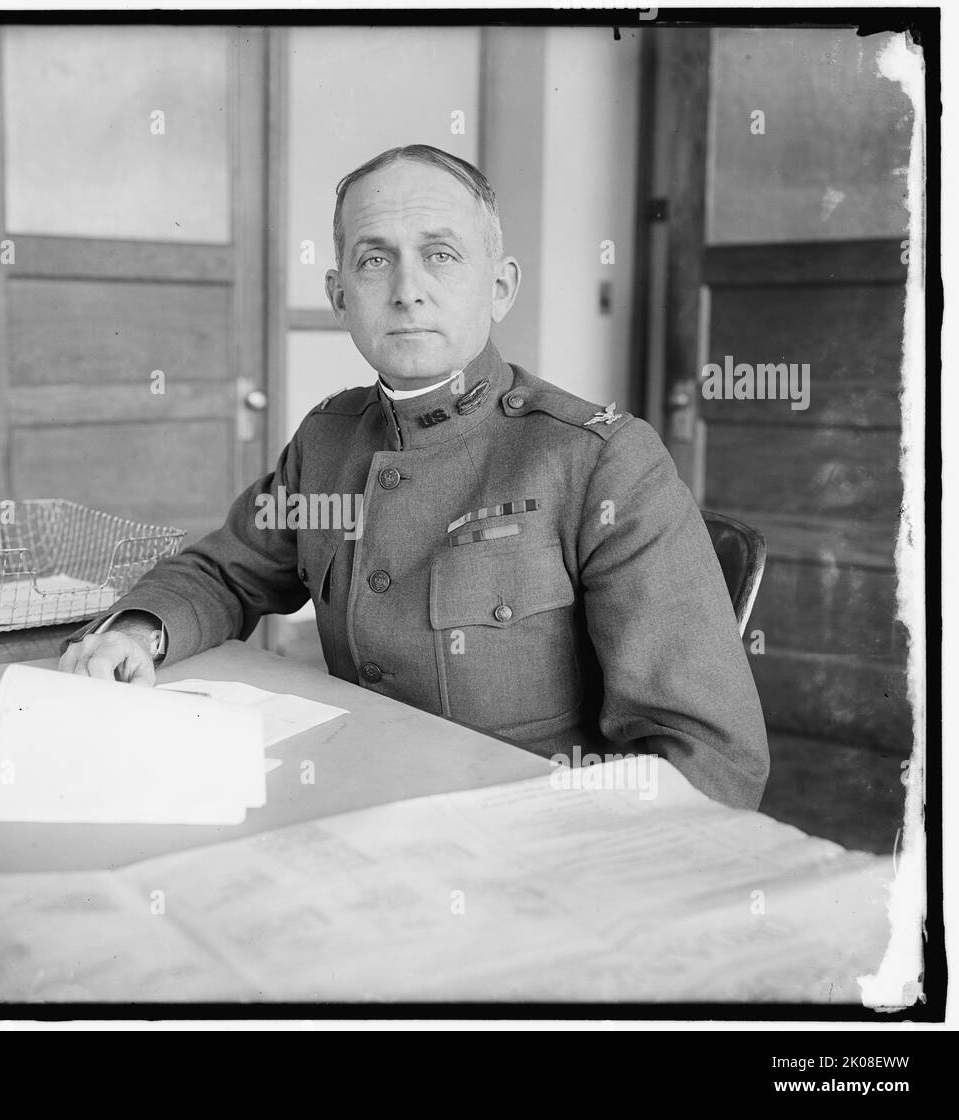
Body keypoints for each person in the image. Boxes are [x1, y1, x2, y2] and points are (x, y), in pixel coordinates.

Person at [59, 144, 769, 811]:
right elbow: (226, 574)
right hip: (347, 803)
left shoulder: (600, 459)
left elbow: (707, 758)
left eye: (441, 255)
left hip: (525, 847)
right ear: (340, 296)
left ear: (499, 286)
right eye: (375, 261)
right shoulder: (329, 441)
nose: (407, 291)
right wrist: (137, 632)